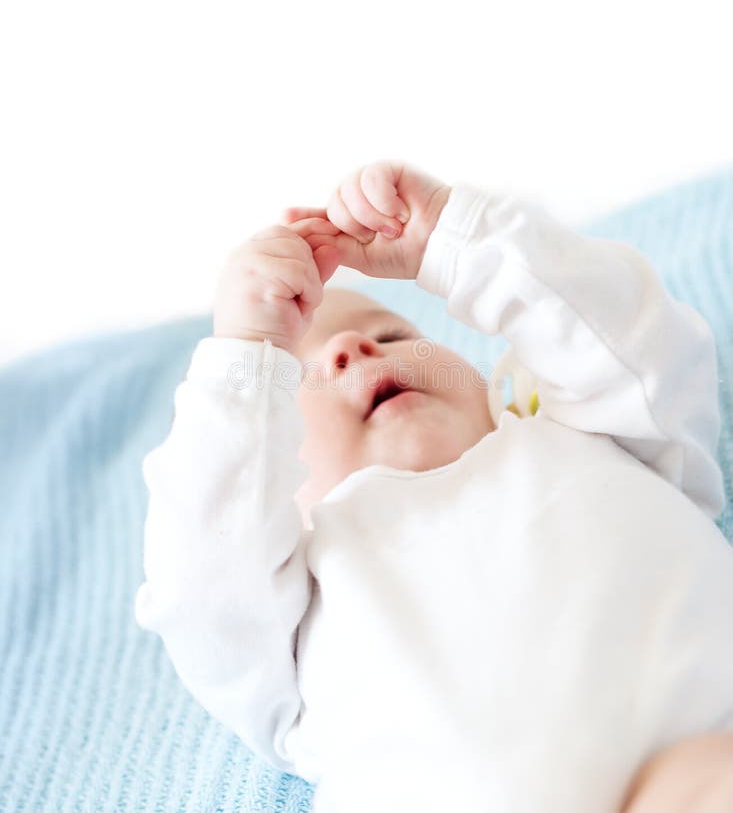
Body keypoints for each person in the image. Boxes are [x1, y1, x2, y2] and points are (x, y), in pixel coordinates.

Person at [134, 160, 733, 812]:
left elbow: (631, 338)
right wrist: (247, 355)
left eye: (394, 334)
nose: (355, 348)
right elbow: (202, 572)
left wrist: (453, 239)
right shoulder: (291, 607)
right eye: (296, 375)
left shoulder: (596, 432)